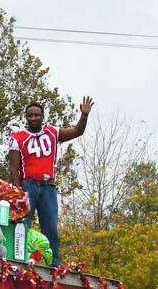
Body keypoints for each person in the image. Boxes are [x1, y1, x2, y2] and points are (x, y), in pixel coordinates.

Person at [6, 98, 93, 266]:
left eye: (36, 115)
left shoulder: (52, 132)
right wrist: (18, 191)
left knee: (51, 227)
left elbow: (77, 131)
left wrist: (84, 116)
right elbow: (13, 168)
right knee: (23, 224)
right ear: (26, 117)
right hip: (28, 186)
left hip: (48, 187)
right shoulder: (18, 137)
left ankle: (53, 264)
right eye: (30, 115)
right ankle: (20, 260)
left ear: (42, 116)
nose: (33, 118)